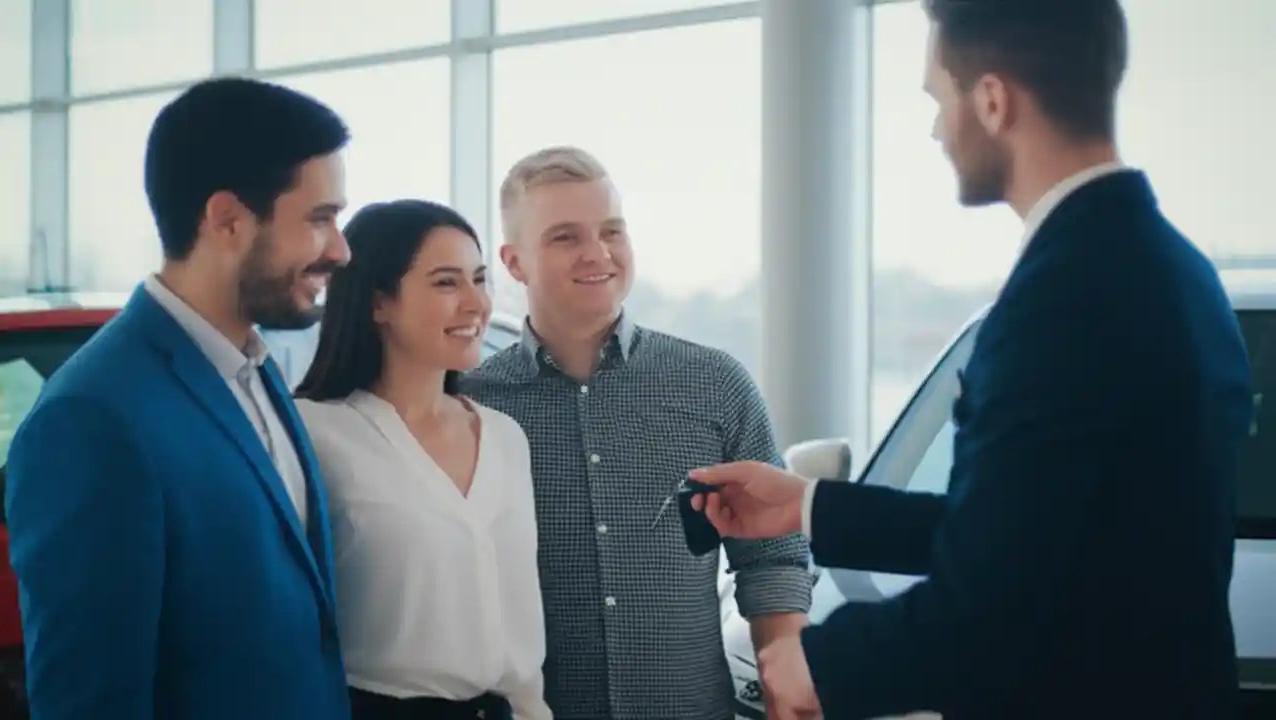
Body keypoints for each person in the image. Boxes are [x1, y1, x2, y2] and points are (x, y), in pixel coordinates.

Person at [690, 1, 1255, 718]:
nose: (935, 128)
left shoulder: (1064, 298)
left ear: (992, 100)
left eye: (939, 97)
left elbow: (990, 615)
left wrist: (815, 662)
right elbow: (1041, 534)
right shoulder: (1177, 269)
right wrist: (806, 504)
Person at [3, 77, 355, 719]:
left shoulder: (254, 368)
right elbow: (91, 702)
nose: (341, 249)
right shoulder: (91, 421)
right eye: (320, 219)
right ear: (227, 220)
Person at [461, 146, 813, 720]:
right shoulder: (472, 408)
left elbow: (772, 556)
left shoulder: (715, 384)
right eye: (565, 237)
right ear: (514, 261)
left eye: (611, 231)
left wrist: (785, 680)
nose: (597, 253)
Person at [293, 199, 551, 720]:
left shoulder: (506, 438)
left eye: (479, 279)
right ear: (378, 302)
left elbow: (521, 628)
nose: (476, 303)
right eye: (445, 282)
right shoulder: (314, 434)